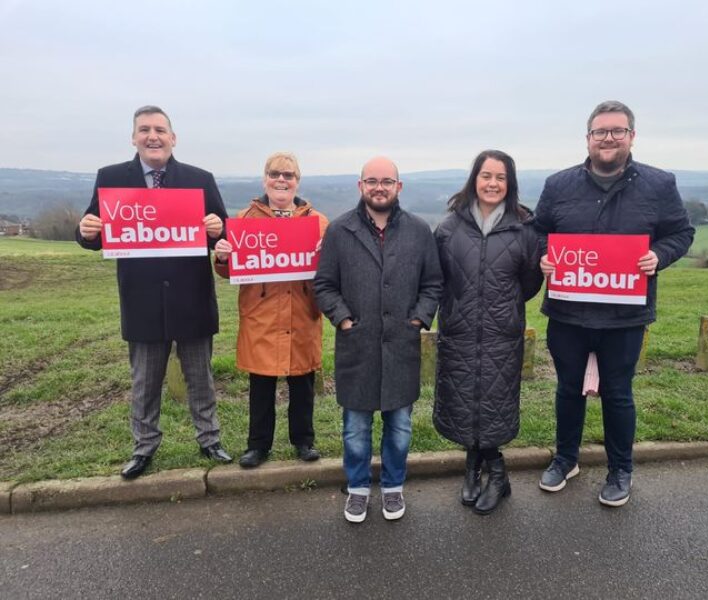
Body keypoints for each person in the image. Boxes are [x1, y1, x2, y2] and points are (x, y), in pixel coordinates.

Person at [533, 100, 694, 506]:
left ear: (631, 137)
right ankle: (566, 458)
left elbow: (681, 233)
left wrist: (660, 256)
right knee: (568, 389)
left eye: (617, 131)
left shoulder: (660, 184)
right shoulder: (558, 185)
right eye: (600, 132)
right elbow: (538, 232)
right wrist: (543, 257)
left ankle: (621, 470)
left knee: (618, 393)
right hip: (568, 312)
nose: (608, 138)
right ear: (588, 138)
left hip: (625, 315)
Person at [76, 105, 232, 480]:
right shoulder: (111, 178)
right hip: (142, 300)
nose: (153, 136)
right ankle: (144, 447)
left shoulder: (200, 179)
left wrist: (217, 230)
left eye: (160, 130)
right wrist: (86, 230)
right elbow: (91, 237)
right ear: (134, 138)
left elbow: (226, 235)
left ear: (173, 138)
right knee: (144, 382)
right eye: (144, 129)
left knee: (200, 377)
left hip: (191, 298)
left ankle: (209, 439)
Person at [314, 156, 443, 523]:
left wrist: (418, 318)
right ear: (361, 186)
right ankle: (356, 489)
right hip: (357, 344)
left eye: (387, 181)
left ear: (399, 187)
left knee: (399, 426)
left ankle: (392, 487)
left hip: (401, 345)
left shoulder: (419, 231)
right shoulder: (340, 231)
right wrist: (343, 320)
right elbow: (324, 285)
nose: (379, 187)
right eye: (372, 180)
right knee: (355, 427)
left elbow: (433, 283)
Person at [433, 150, 543, 515]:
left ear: (509, 184)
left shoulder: (524, 230)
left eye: (500, 177)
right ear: (474, 180)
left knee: (493, 404)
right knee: (467, 401)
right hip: (460, 331)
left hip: (501, 334)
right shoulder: (449, 228)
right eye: (486, 175)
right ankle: (474, 466)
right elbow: (438, 280)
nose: (492, 183)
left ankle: (495, 474)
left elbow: (528, 284)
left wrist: (499, 308)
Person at [213, 152, 329, 468]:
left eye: (288, 175)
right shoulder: (246, 219)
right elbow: (231, 270)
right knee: (261, 385)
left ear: (297, 182)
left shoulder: (317, 222)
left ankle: (304, 441)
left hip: (302, 312)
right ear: (265, 178)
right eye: (275, 174)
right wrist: (223, 258)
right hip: (262, 314)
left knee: (302, 382)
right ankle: (258, 445)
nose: (281, 180)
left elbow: (330, 268)